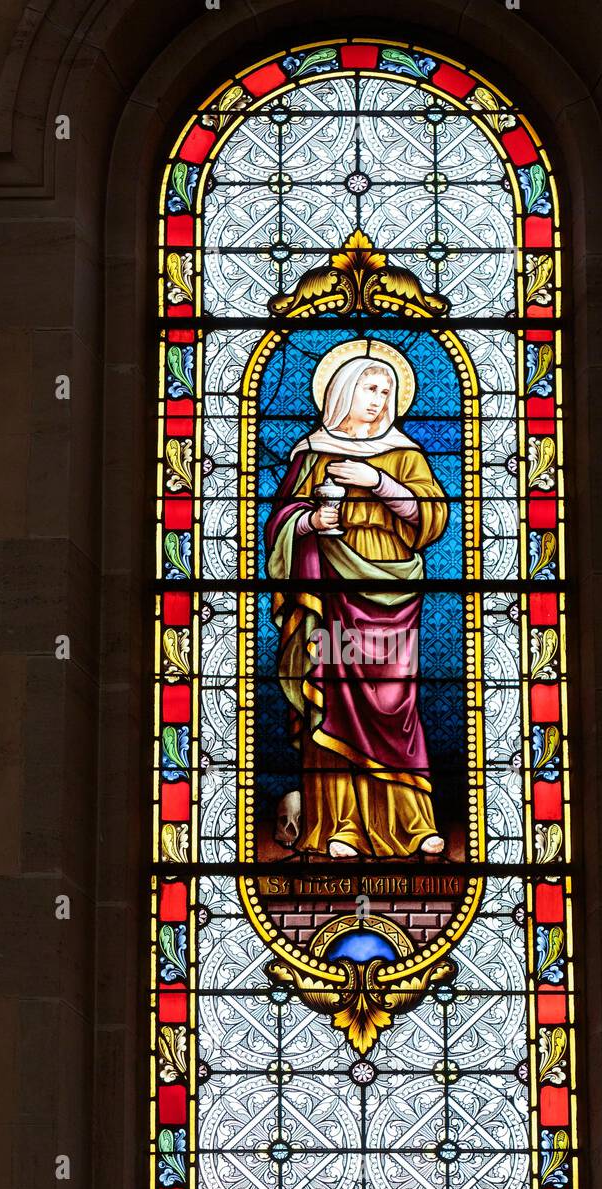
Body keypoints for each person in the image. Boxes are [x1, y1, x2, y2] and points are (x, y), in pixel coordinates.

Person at [265, 342, 448, 858]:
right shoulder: (312, 454)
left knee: (396, 704)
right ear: (343, 392)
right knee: (334, 697)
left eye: (388, 391)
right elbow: (278, 523)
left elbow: (432, 519)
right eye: (370, 388)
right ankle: (338, 823)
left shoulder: (405, 454)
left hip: (393, 590)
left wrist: (379, 482)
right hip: (331, 592)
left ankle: (412, 823)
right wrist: (308, 522)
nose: (380, 399)